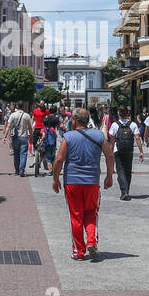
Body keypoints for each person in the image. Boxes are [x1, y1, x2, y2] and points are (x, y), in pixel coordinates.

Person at [51, 107, 114, 262]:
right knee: (91, 212)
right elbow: (109, 155)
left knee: (76, 216)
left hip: (72, 182)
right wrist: (109, 176)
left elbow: (59, 159)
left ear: (75, 120)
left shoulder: (68, 136)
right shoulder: (99, 135)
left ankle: (79, 251)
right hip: (92, 182)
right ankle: (91, 241)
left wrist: (55, 178)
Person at [108, 105, 144, 200]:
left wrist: (110, 152)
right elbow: (137, 138)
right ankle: (126, 189)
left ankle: (124, 191)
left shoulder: (115, 125)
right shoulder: (133, 124)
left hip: (118, 150)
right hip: (129, 150)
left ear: (119, 114)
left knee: (120, 170)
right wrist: (141, 151)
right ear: (127, 113)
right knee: (128, 171)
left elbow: (111, 140)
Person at [2, 102, 33, 176]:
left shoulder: (13, 115)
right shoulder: (27, 115)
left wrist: (5, 136)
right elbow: (30, 128)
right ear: (23, 107)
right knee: (24, 154)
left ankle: (16, 170)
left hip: (15, 137)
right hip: (24, 137)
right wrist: (31, 137)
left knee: (16, 154)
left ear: (17, 106)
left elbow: (8, 126)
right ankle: (22, 170)